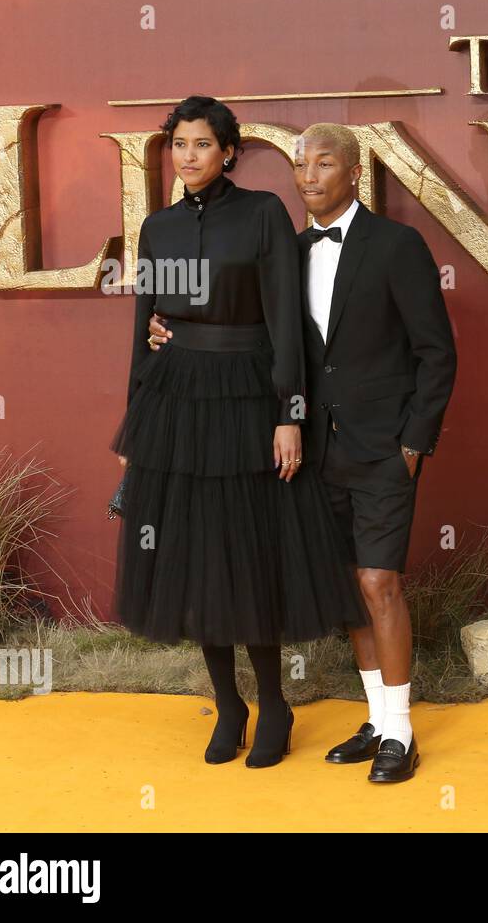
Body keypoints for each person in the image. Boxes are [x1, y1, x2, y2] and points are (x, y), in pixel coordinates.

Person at [149, 122, 457, 782]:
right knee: (350, 587)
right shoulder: (285, 251)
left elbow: (437, 352)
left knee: (380, 582)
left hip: (383, 449)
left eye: (323, 164)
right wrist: (165, 332)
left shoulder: (397, 246)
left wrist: (413, 443)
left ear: (352, 173)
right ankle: (375, 720)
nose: (308, 176)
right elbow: (251, 334)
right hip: (312, 453)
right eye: (299, 165)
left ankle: (401, 732)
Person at [113, 97, 370, 769]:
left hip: (248, 396)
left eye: (202, 144)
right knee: (195, 557)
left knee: (248, 554)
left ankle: (276, 705)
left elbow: (286, 321)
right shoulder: (158, 228)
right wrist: (135, 431)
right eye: (179, 144)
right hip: (177, 404)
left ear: (229, 151)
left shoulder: (261, 214)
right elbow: (145, 327)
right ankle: (228, 705)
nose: (188, 155)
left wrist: (291, 413)